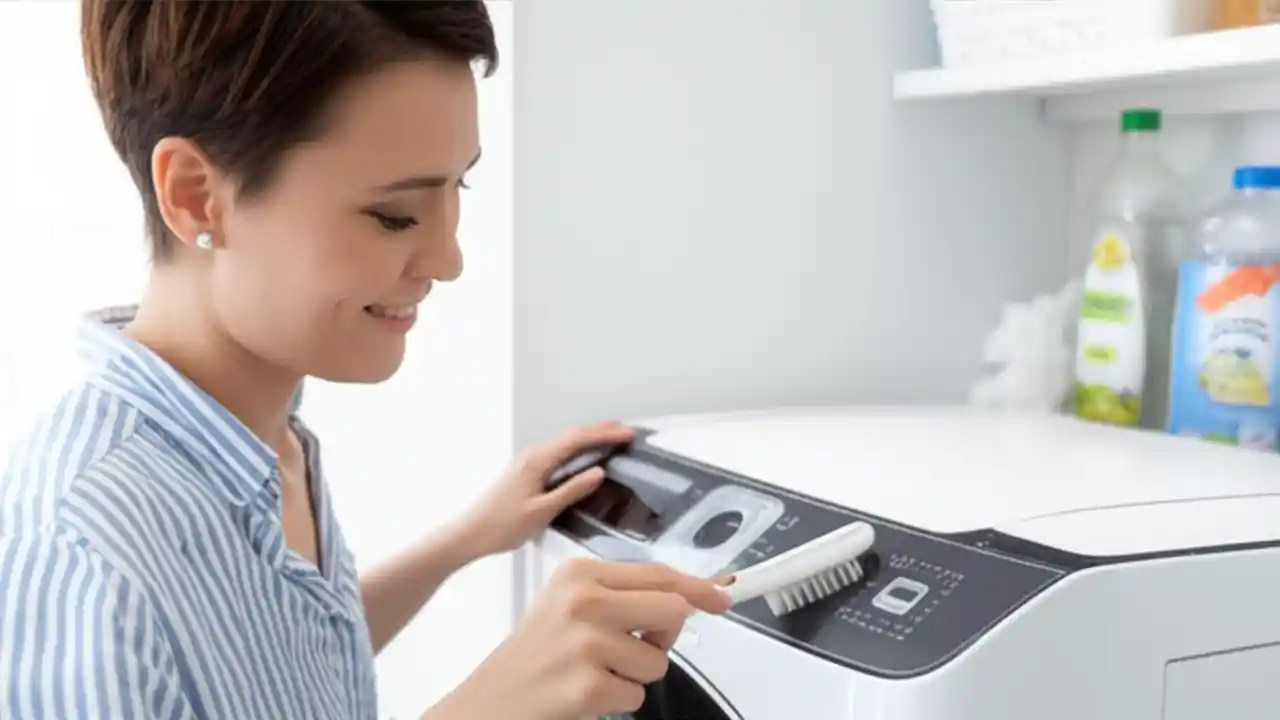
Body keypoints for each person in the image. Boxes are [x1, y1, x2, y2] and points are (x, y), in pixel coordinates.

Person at [0, 2, 731, 718]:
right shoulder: (81, 556)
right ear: (196, 197)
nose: (449, 259)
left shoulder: (258, 435)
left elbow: (273, 669)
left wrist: (467, 539)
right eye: (395, 215)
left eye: (458, 187)